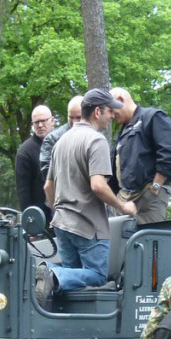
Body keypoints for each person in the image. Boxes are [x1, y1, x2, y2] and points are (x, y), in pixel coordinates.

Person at [40, 88, 137, 303]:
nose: (112, 116)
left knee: (72, 284)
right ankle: (50, 273)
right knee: (97, 276)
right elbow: (98, 186)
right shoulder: (96, 141)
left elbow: (48, 186)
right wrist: (123, 206)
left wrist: (60, 210)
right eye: (109, 111)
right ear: (97, 112)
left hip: (62, 224)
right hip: (88, 226)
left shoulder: (61, 142)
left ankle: (44, 272)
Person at [109, 88, 171, 225]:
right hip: (127, 201)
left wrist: (155, 187)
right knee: (126, 244)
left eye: (111, 110)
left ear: (120, 100)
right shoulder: (122, 132)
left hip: (150, 197)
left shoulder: (152, 117)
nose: (111, 116)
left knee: (148, 242)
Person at [15, 104, 54, 221]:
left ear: (52, 121)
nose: (40, 125)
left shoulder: (62, 143)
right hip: (40, 218)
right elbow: (23, 193)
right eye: (36, 122)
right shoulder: (25, 152)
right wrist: (30, 222)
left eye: (43, 121)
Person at [39, 96, 83, 179]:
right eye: (71, 117)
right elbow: (47, 174)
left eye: (78, 117)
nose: (74, 122)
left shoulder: (95, 136)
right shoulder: (53, 139)